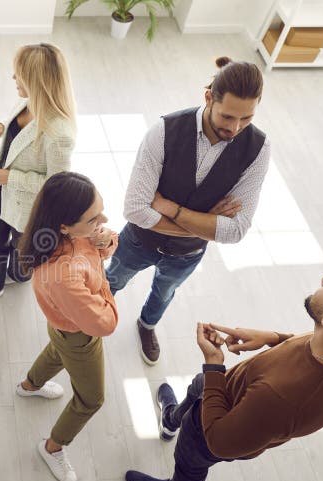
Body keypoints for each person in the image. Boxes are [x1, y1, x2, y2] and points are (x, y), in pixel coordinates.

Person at [125, 266, 323, 481]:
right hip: (231, 386)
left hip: (218, 425)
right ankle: (171, 420)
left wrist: (213, 364)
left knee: (190, 460)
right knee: (198, 387)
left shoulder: (280, 397)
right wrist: (273, 338)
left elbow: (219, 443)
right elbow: (319, 346)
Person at [105, 57, 271, 365]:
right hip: (138, 240)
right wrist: (207, 221)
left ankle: (147, 326)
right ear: (209, 98)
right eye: (227, 116)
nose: (235, 128)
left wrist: (172, 209)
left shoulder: (259, 149)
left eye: (246, 118)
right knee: (112, 279)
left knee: (163, 294)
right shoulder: (164, 131)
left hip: (187, 254)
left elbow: (235, 231)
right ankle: (94, 317)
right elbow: (135, 209)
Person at [14, 172, 118, 481]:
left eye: (101, 211)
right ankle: (52, 447)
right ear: (64, 226)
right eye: (94, 219)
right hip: (80, 336)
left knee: (57, 349)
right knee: (91, 400)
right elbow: (105, 324)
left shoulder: (59, 235)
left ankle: (29, 386)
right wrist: (105, 288)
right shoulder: (64, 276)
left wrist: (105, 240)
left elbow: (99, 247)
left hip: (61, 325)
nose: (103, 220)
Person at [0, 43, 76, 298]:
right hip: (6, 191)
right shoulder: (28, 101)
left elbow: (57, 186)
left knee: (21, 248)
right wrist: (2, 126)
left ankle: (16, 275)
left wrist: (11, 177)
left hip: (29, 206)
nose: (13, 78)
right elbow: (20, 127)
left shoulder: (60, 134)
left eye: (19, 74)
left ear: (36, 81)